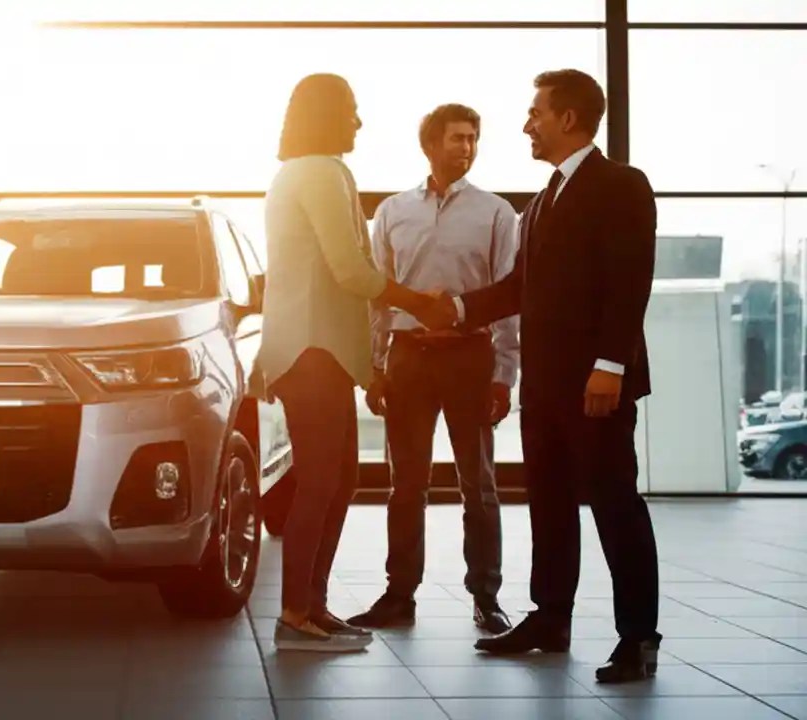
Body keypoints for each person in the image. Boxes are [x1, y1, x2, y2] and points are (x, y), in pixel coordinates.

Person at [413, 69, 661, 684]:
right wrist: (462, 307)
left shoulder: (620, 185)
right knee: (549, 504)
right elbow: (521, 288)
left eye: (536, 113)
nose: (527, 124)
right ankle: (550, 617)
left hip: (595, 384)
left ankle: (638, 637)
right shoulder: (543, 200)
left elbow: (630, 285)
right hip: (547, 386)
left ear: (568, 120)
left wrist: (610, 366)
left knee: (614, 505)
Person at [255, 73, 431, 652]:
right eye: (351, 111)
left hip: (316, 351)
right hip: (312, 352)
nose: (358, 122)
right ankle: (296, 616)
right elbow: (350, 272)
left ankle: (312, 607)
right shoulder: (319, 172)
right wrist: (420, 303)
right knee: (322, 485)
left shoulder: (303, 172)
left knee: (338, 482)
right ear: (327, 114)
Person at [346, 104, 517, 636]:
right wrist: (374, 366)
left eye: (473, 139)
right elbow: (377, 295)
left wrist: (504, 375)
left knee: (480, 485)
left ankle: (486, 597)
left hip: (470, 358)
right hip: (408, 358)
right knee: (405, 486)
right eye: (456, 139)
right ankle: (400, 595)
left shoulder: (496, 213)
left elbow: (508, 297)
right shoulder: (394, 212)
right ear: (430, 144)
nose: (466, 148)